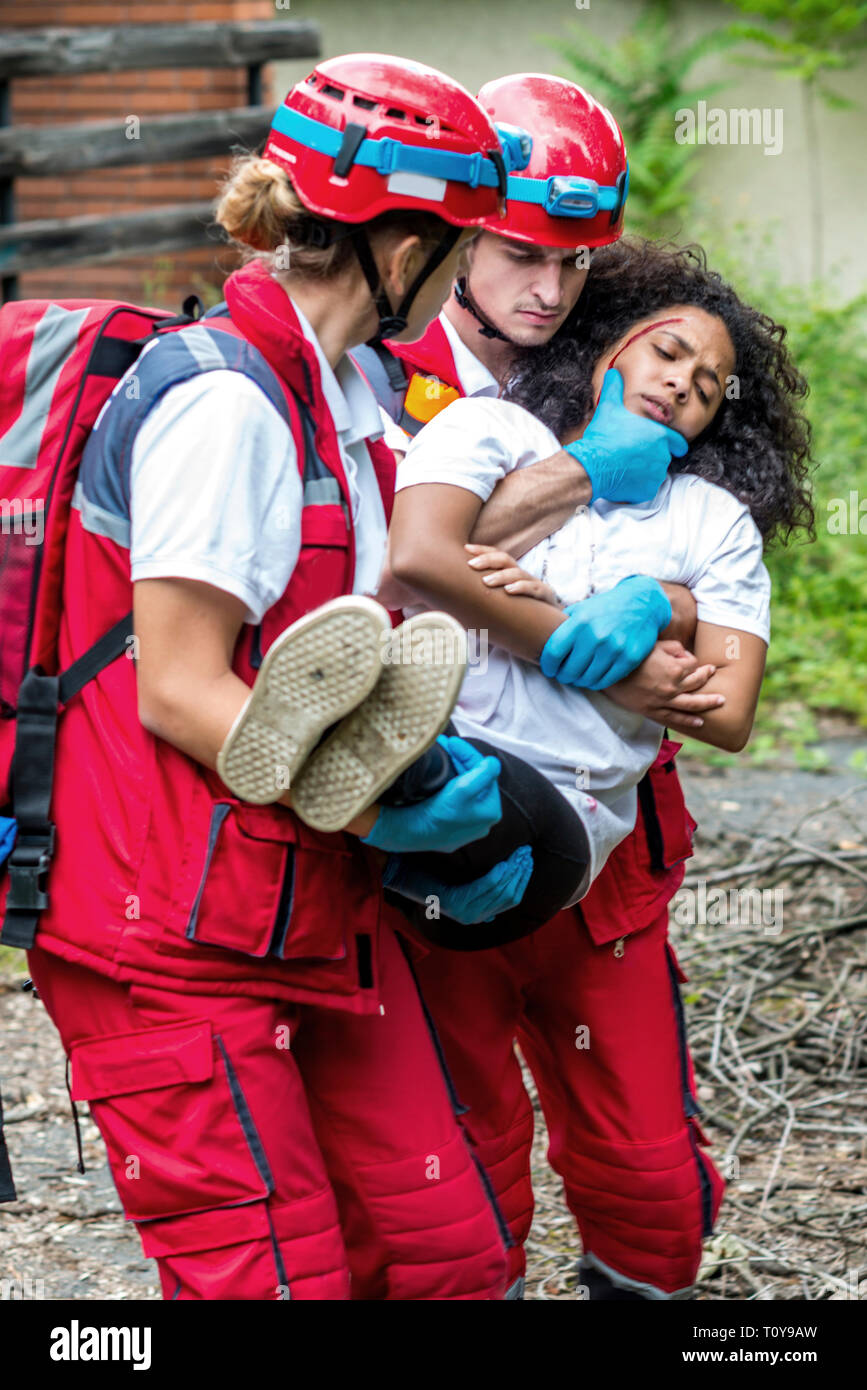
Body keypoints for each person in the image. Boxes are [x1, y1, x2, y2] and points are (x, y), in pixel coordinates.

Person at [13, 53, 534, 1302]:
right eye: (460, 239)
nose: (465, 266)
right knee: (272, 1282)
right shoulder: (225, 405)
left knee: (448, 1257)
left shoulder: (352, 392)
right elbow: (182, 689)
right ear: (399, 240)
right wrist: (379, 800)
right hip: (168, 933)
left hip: (307, 904)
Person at [361, 73, 814, 1300]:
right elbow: (388, 578)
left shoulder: (621, 345)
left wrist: (663, 603)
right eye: (520, 250)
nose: (551, 289)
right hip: (445, 813)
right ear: (458, 230)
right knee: (457, 1153)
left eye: (577, 259)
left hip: (615, 835)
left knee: (649, 1158)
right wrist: (569, 517)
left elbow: (717, 580)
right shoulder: (374, 369)